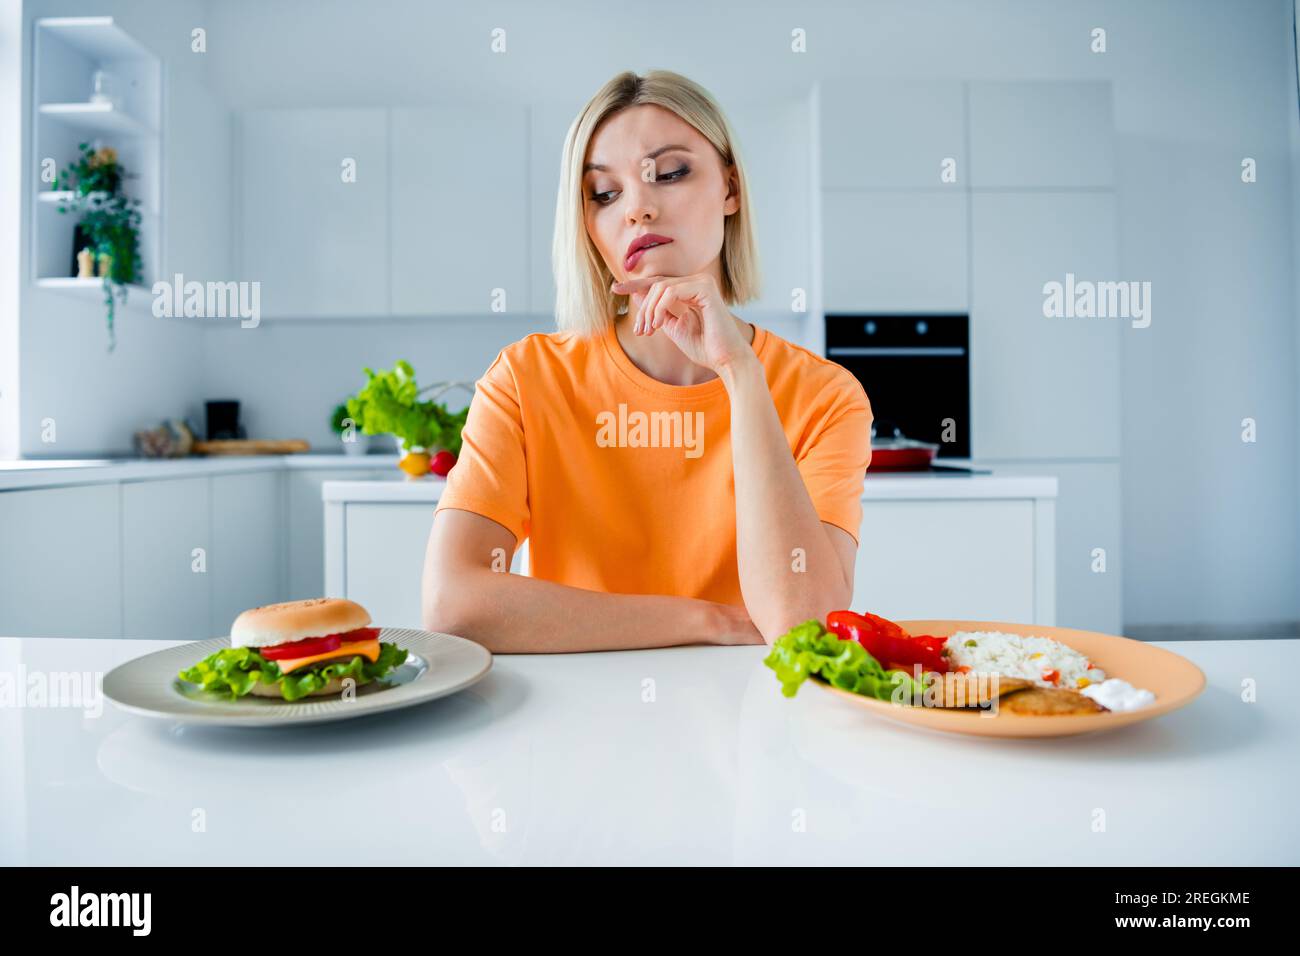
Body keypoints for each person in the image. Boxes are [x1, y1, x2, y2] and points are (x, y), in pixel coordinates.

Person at [422, 69, 872, 653]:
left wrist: (740, 373)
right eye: (604, 194)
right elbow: (455, 606)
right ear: (586, 224)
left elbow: (804, 627)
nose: (638, 210)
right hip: (574, 717)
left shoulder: (826, 396)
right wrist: (708, 621)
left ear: (730, 188)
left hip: (754, 720)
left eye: (671, 173)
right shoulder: (525, 379)